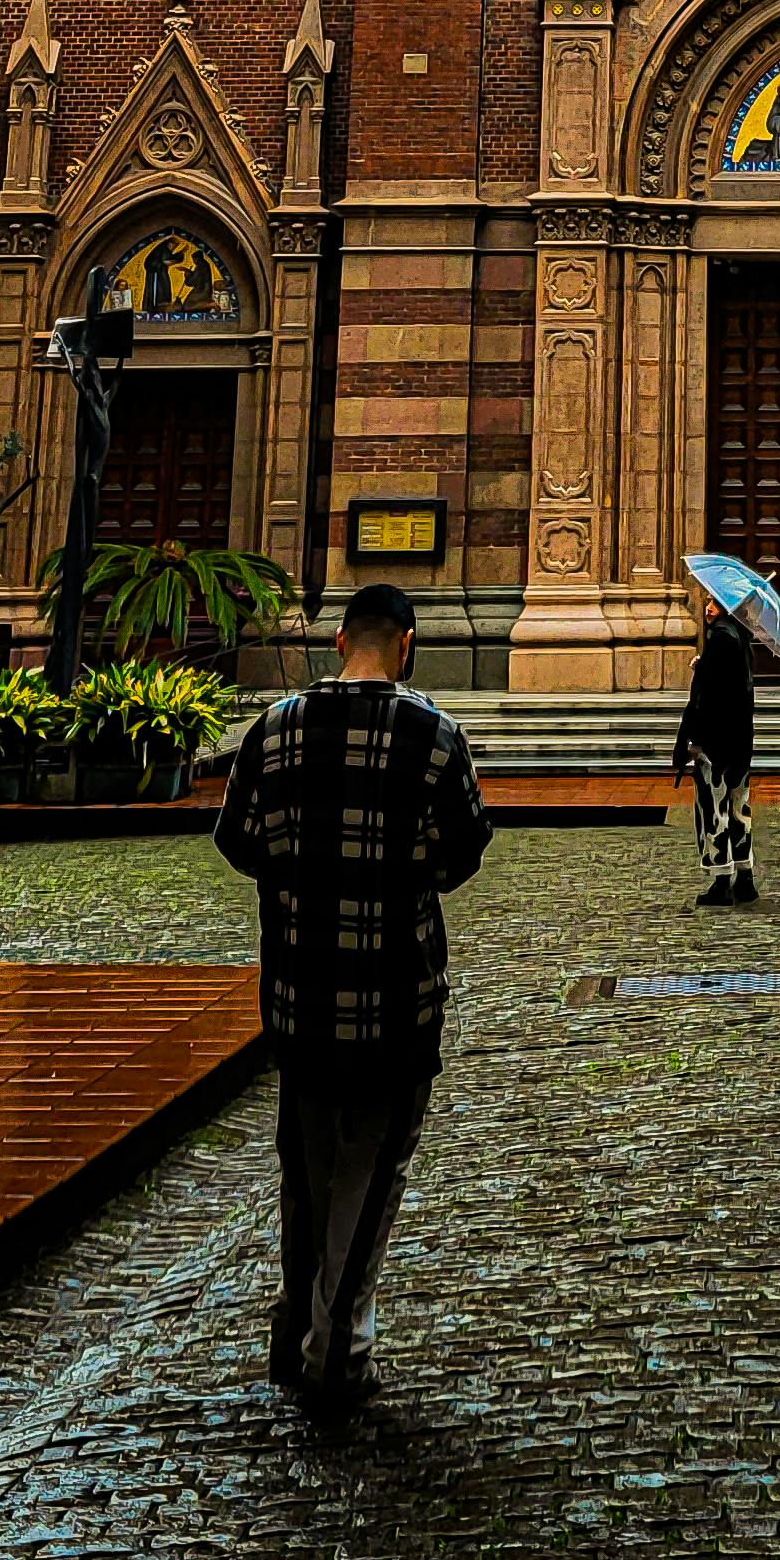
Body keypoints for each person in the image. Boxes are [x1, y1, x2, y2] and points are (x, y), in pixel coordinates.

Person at [212, 578, 492, 1407]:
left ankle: (295, 1325)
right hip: (392, 1001)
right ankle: (335, 1353)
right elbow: (462, 854)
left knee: (305, 1169)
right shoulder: (435, 738)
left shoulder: (274, 729)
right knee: (370, 1172)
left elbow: (236, 840)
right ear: (407, 646)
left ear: (340, 642)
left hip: (298, 995)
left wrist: (298, 878)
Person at [673, 580, 759, 908]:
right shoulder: (741, 638)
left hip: (716, 742)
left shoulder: (721, 637)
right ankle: (745, 877)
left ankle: (722, 880)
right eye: (708, 601)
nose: (708, 608)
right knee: (740, 809)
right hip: (739, 739)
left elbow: (709, 698)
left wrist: (692, 741)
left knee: (715, 810)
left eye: (715, 603)